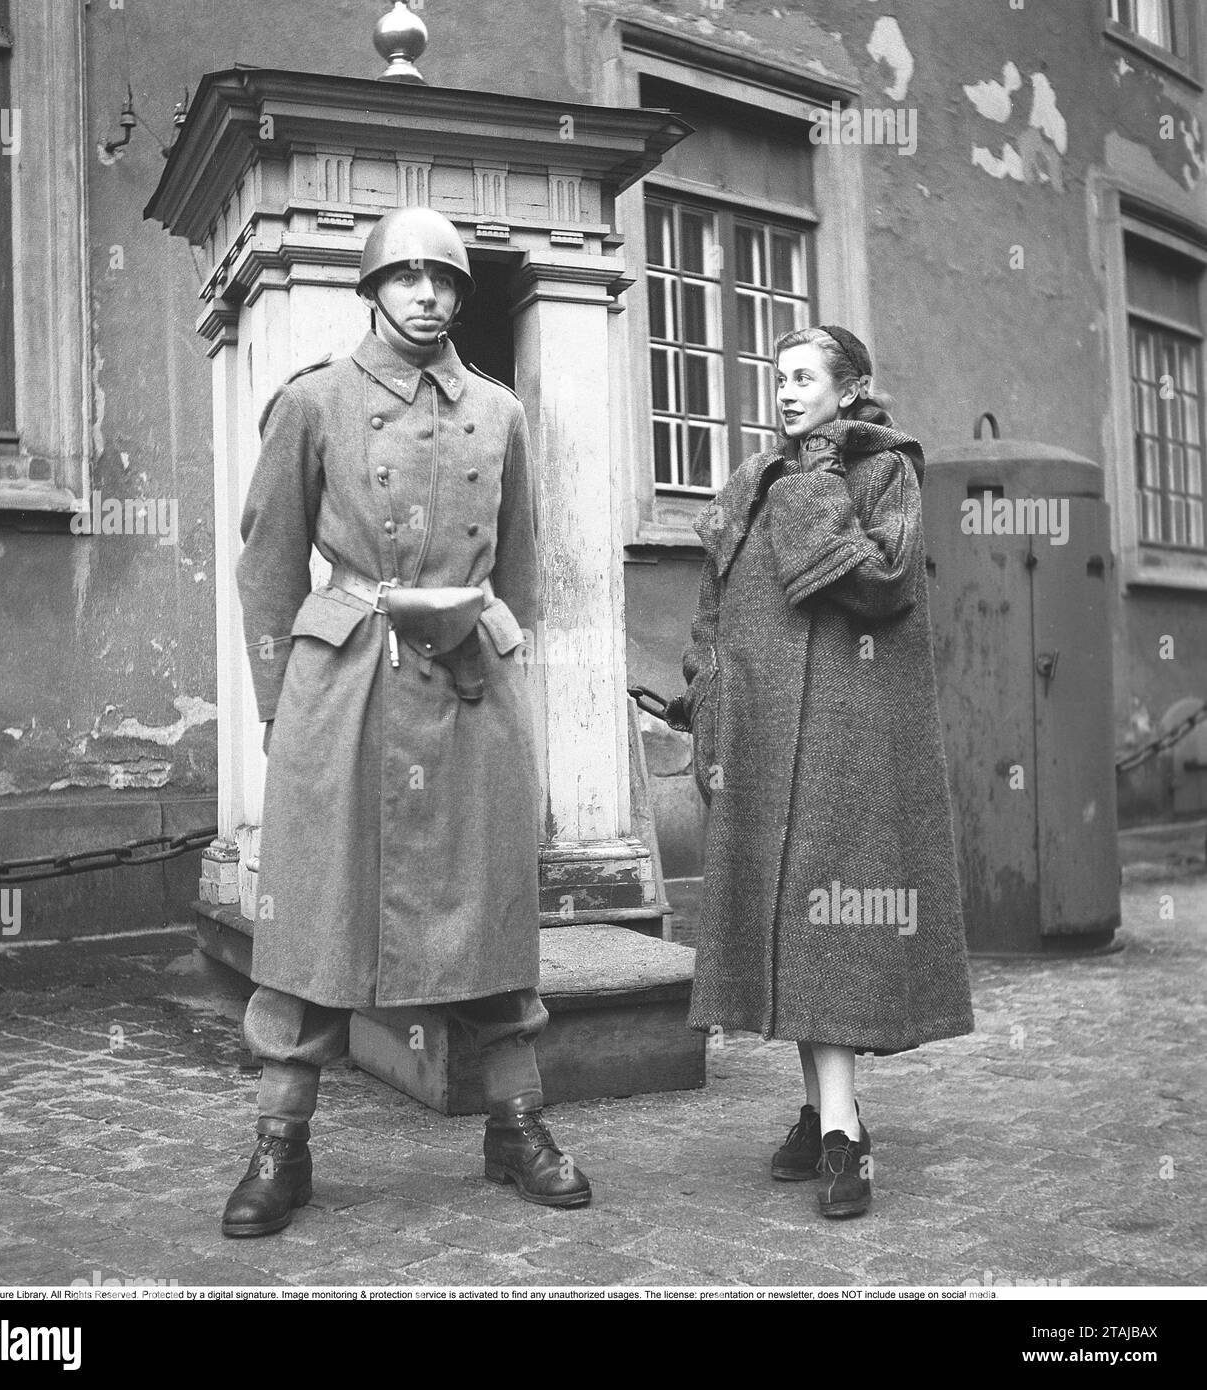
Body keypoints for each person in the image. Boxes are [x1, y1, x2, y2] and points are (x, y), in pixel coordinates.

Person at [221, 207, 591, 1238]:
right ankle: (279, 1146)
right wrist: (282, 709)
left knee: (493, 918)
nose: (426, 294)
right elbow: (264, 574)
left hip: (469, 692)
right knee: (316, 923)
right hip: (346, 693)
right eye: (406, 276)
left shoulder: (498, 412)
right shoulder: (314, 404)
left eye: (444, 280)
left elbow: (519, 570)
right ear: (372, 288)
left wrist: (498, 656)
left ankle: (516, 1127)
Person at [666, 324, 974, 1219]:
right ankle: (818, 1112)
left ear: (851, 389)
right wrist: (705, 692)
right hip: (758, 740)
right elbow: (712, 611)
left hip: (846, 746)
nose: (787, 392)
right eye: (778, 377)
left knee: (824, 928)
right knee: (786, 933)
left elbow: (879, 582)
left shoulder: (882, 472)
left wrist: (813, 484)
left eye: (805, 378)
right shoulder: (757, 482)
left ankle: (843, 1137)